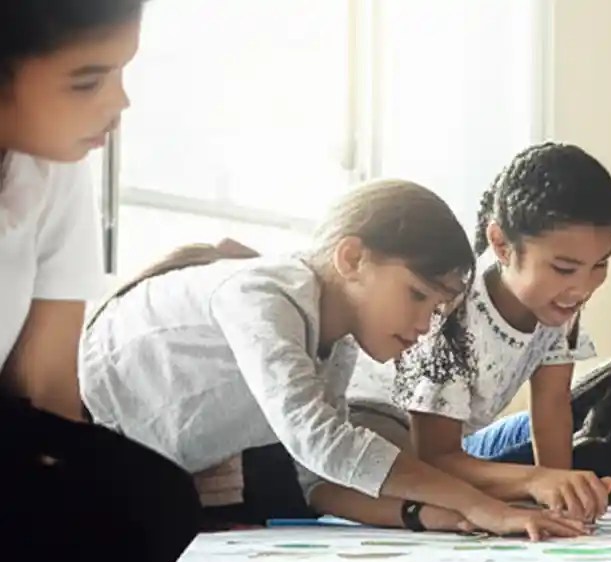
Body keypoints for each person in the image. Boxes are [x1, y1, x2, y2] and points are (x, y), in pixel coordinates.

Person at [80, 179, 584, 541]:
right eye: (416, 296)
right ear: (351, 258)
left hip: (139, 468)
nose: (424, 325)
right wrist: (477, 503)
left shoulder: (337, 346)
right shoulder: (263, 295)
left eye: (437, 311)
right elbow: (319, 442)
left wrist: (439, 515)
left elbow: (320, 479)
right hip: (76, 435)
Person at [0, 0, 202, 562]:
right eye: (87, 81)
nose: (118, 104)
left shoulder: (54, 169)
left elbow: (46, 390)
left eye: (120, 73)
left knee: (156, 502)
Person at [350, 142, 611, 523]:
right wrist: (536, 480)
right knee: (444, 494)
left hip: (462, 444)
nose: (583, 288)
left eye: (600, 265)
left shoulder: (559, 306)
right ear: (502, 245)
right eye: (563, 268)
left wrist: (562, 494)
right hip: (381, 429)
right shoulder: (450, 312)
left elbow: (553, 407)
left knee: (581, 424)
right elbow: (435, 458)